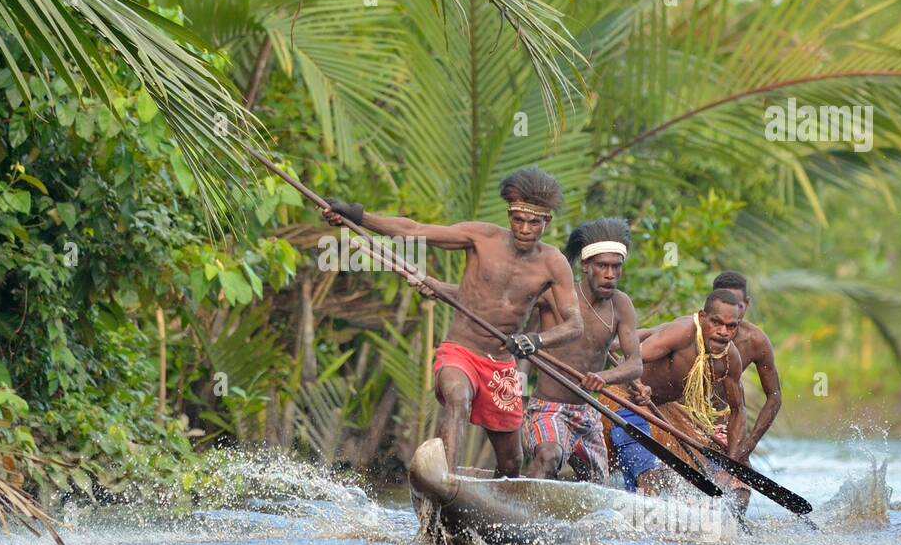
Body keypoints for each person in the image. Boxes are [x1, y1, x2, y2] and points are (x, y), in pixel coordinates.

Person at [322, 168, 583, 478]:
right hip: (460, 350)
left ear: (547, 222)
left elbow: (574, 324)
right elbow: (413, 230)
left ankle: (494, 509)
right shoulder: (481, 237)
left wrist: (536, 341)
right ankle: (448, 482)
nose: (525, 229)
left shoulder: (554, 263)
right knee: (457, 397)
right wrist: (358, 217)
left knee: (512, 462)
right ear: (509, 216)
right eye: (518, 220)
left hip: (501, 366)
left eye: (534, 222)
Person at [522, 218, 643, 482]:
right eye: (602, 266)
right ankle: (523, 513)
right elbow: (512, 315)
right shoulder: (556, 296)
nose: (610, 274)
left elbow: (635, 364)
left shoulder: (621, 306)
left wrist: (605, 378)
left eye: (616, 266)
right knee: (549, 456)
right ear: (586, 266)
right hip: (548, 408)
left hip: (587, 411)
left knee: (598, 487)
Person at [630, 290, 751, 510]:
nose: (723, 332)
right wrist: (638, 386)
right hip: (629, 401)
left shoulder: (730, 358)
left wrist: (730, 464)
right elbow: (631, 359)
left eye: (731, 326)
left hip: (668, 412)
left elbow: (738, 410)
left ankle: (695, 526)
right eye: (717, 323)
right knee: (649, 475)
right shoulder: (683, 332)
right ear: (703, 317)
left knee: (732, 484)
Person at [710, 272, 781, 461]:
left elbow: (774, 396)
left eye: (737, 307)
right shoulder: (693, 329)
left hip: (723, 429)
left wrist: (748, 445)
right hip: (682, 420)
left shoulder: (756, 341)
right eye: (724, 306)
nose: (729, 313)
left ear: (747, 304)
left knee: (739, 489)